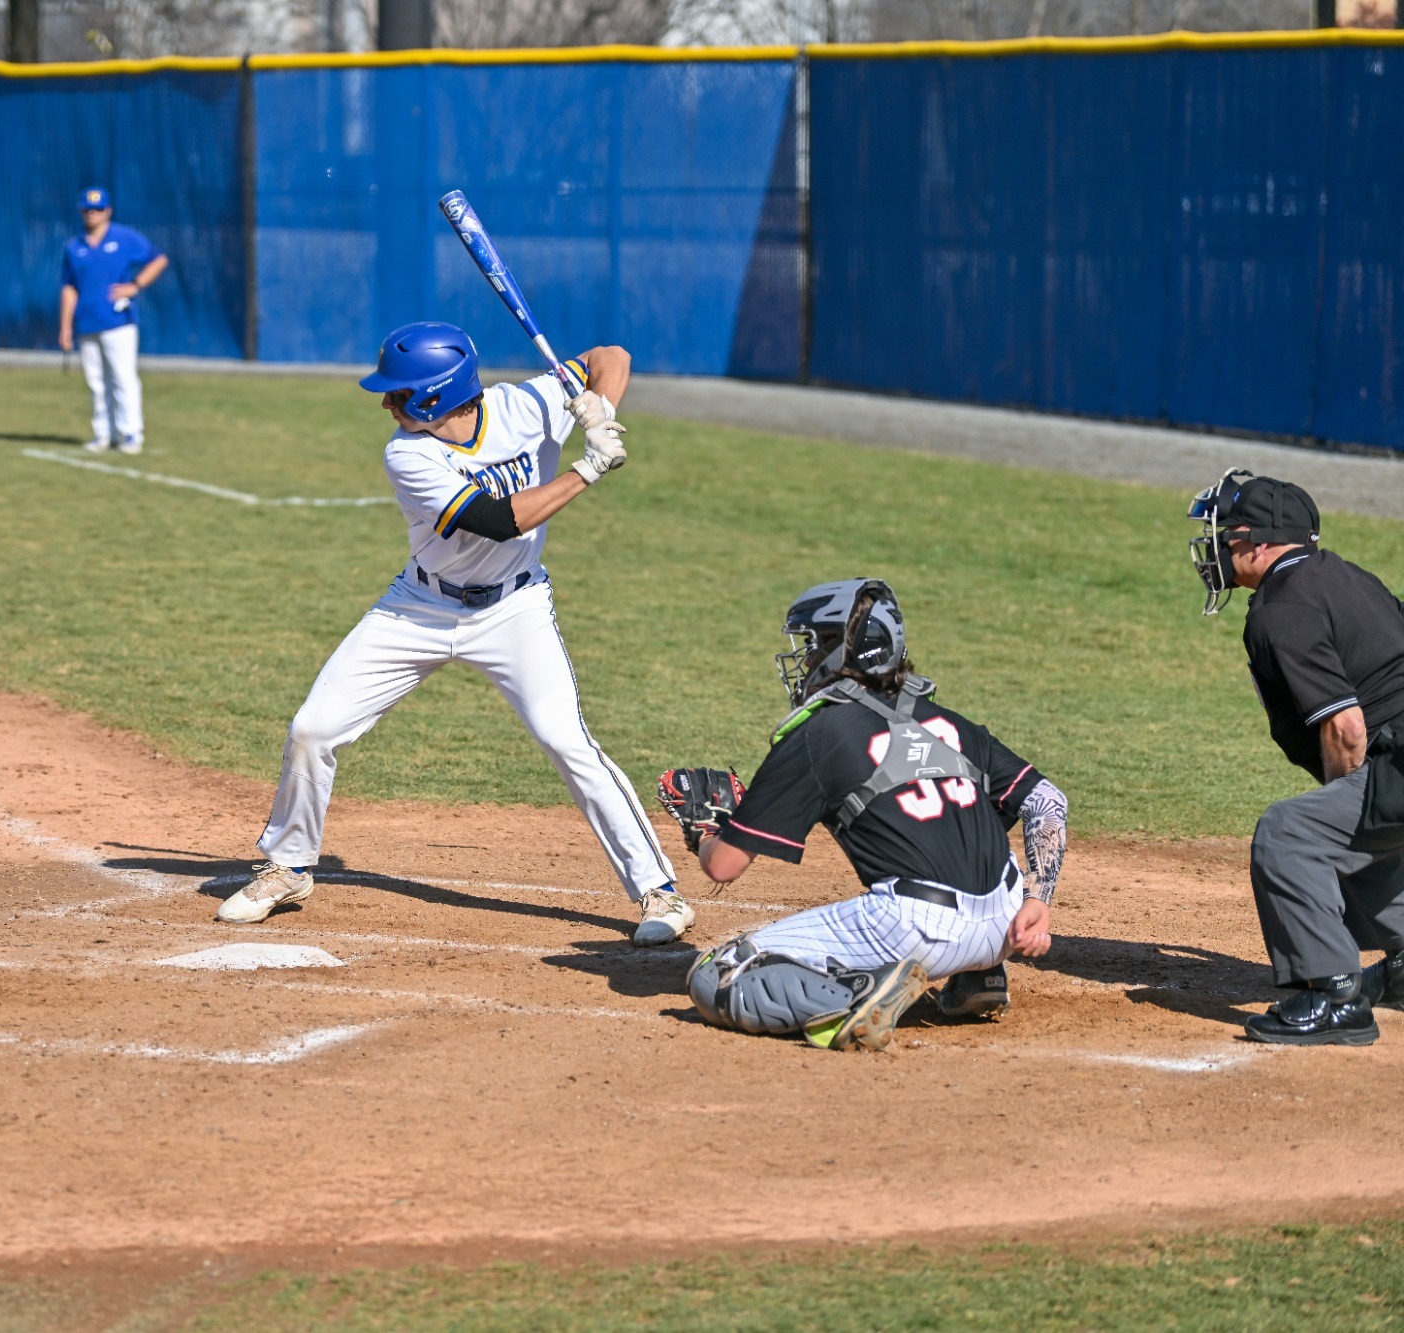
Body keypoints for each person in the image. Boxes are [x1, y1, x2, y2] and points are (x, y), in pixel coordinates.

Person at [217, 321, 691, 946]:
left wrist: (600, 405)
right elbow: (499, 520)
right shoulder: (407, 453)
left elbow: (612, 355)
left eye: (397, 394)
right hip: (418, 608)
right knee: (313, 728)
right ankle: (289, 865)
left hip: (513, 611)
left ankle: (660, 892)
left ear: (435, 396)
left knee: (566, 739)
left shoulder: (525, 405)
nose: (387, 404)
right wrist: (591, 464)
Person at [661, 579, 1067, 1052]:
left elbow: (723, 866)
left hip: (915, 930)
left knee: (719, 973)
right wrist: (1039, 901)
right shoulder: (951, 722)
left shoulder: (819, 734)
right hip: (1009, 926)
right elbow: (1048, 803)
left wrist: (708, 830)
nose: (805, 662)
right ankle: (978, 977)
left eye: (812, 647)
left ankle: (857, 993)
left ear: (840, 652)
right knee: (950, 846)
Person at [1188, 469, 1404, 1046]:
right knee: (1361, 839)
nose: (1217, 548)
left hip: (1398, 760)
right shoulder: (1349, 577)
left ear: (1258, 542)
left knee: (1292, 833)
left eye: (1226, 536)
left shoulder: (1280, 605)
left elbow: (1346, 728)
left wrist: (1344, 798)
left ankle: (1335, 997)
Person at [58, 187, 166, 455]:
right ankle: (102, 433)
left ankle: (130, 433)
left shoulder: (124, 238)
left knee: (122, 377)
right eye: (87, 209)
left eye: (98, 209)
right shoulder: (74, 247)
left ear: (108, 211)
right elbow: (69, 288)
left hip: (118, 321)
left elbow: (158, 259)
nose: (92, 214)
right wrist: (65, 325)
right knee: (96, 382)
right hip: (86, 322)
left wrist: (135, 285)